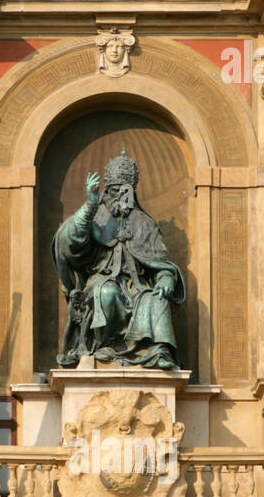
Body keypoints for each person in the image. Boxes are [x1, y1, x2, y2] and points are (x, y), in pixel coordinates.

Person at [53, 151, 185, 370]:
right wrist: (89, 205)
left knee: (157, 299)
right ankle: (106, 346)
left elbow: (161, 261)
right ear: (106, 191)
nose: (119, 196)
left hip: (138, 287)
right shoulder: (95, 216)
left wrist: (166, 278)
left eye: (125, 191)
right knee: (107, 293)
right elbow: (69, 242)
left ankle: (159, 352)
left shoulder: (144, 223)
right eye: (113, 191)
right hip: (101, 281)